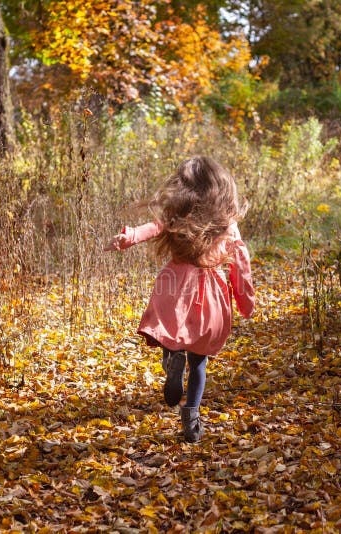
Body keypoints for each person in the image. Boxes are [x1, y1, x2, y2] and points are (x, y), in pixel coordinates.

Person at [104, 155, 255, 442]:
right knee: (199, 362)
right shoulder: (228, 224)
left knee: (169, 337)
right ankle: (192, 417)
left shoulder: (179, 215)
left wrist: (127, 237)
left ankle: (171, 362)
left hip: (174, 286)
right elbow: (240, 266)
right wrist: (245, 301)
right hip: (209, 290)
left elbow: (152, 228)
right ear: (220, 187)